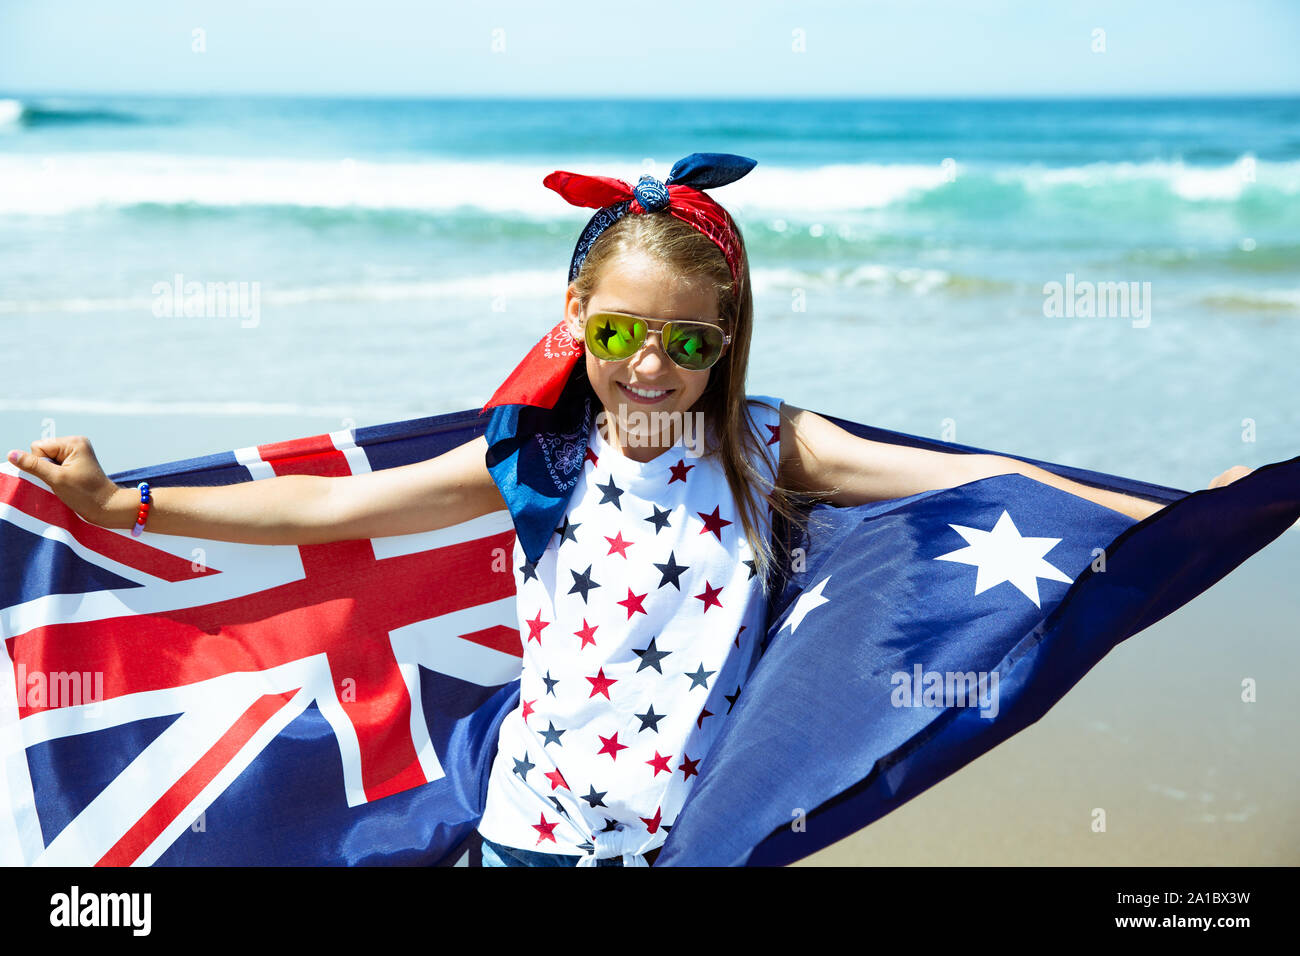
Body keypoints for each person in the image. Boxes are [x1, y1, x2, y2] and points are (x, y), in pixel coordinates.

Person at [5, 152, 1252, 868]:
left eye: (683, 341)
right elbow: (333, 509)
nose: (647, 365)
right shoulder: (538, 461)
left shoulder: (771, 450)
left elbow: (987, 488)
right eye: (615, 331)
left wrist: (1164, 510)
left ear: (725, 340)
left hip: (680, 845)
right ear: (573, 320)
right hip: (527, 833)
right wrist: (132, 502)